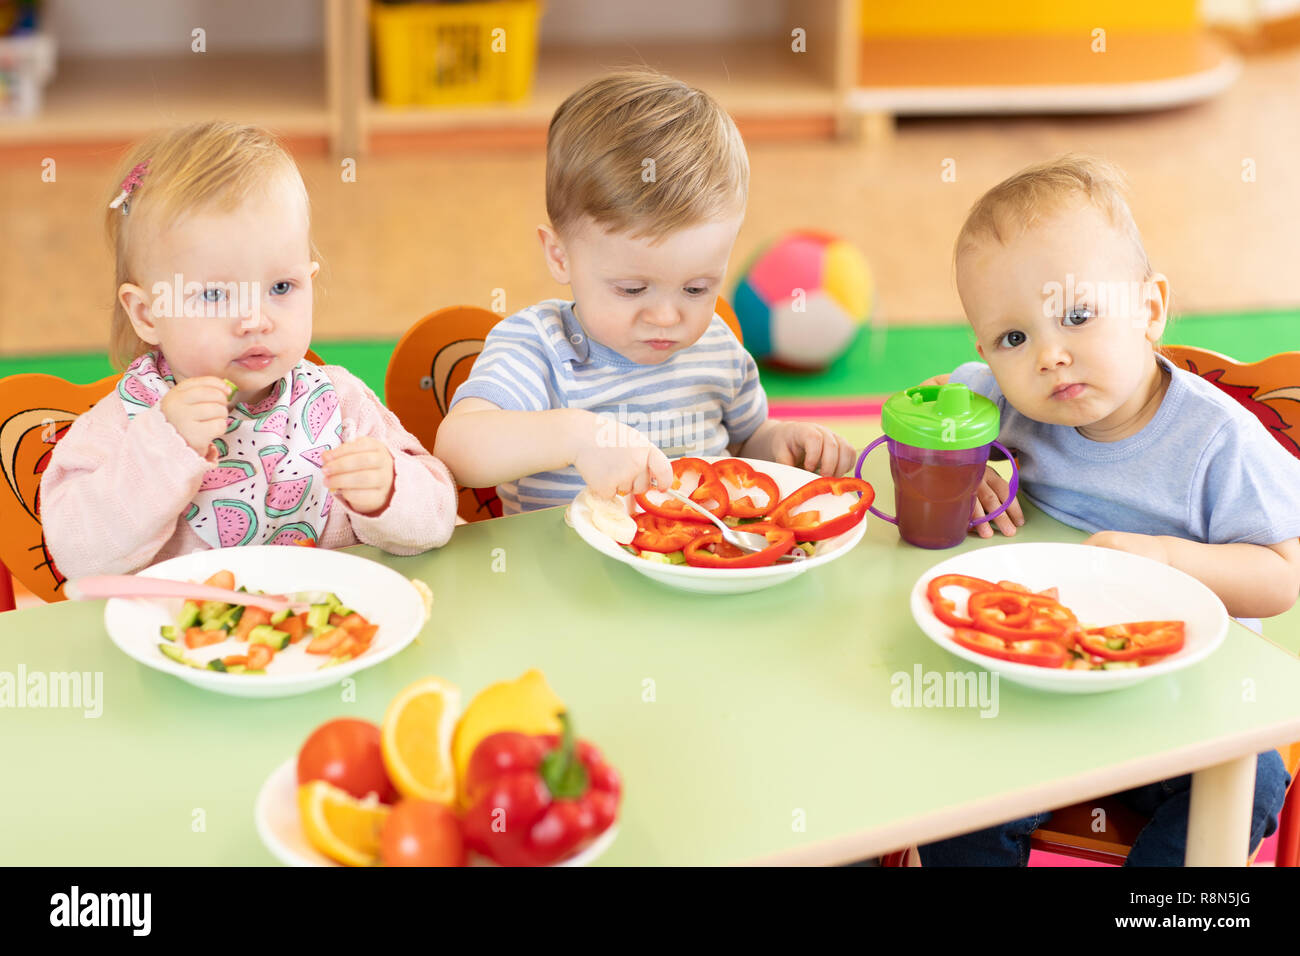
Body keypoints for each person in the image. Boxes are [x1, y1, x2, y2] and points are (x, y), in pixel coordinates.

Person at [917, 154, 1299, 865]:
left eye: (1078, 316)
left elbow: (1282, 577)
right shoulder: (996, 399)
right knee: (947, 785)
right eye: (1014, 338)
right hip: (1037, 680)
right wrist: (960, 466)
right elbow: (932, 403)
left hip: (1181, 696)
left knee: (1253, 782)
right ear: (987, 353)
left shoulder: (1218, 440)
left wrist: (1164, 558)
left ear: (1149, 310)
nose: (1050, 356)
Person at [42, 121, 458, 577]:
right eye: (216, 295)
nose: (256, 320)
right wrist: (164, 447)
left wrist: (391, 491)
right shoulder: (124, 423)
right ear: (146, 313)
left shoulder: (340, 402)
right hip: (183, 640)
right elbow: (79, 557)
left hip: (330, 636)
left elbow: (438, 521)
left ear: (310, 283)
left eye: (281, 286)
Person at [433, 69, 857, 515]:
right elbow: (458, 449)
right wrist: (579, 437)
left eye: (696, 287)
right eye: (633, 289)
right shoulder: (537, 347)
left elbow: (747, 440)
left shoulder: (716, 346)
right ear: (560, 257)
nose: (666, 317)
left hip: (696, 571)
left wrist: (783, 443)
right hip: (559, 580)